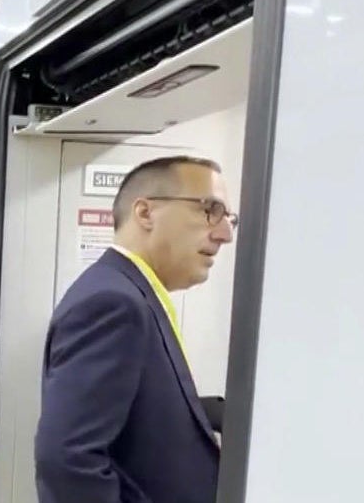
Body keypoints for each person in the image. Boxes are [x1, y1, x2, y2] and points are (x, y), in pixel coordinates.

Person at [34, 156, 237, 503]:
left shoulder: (130, 292)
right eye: (210, 210)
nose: (225, 234)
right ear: (145, 213)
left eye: (230, 219)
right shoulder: (115, 304)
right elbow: (68, 460)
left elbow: (131, 411)